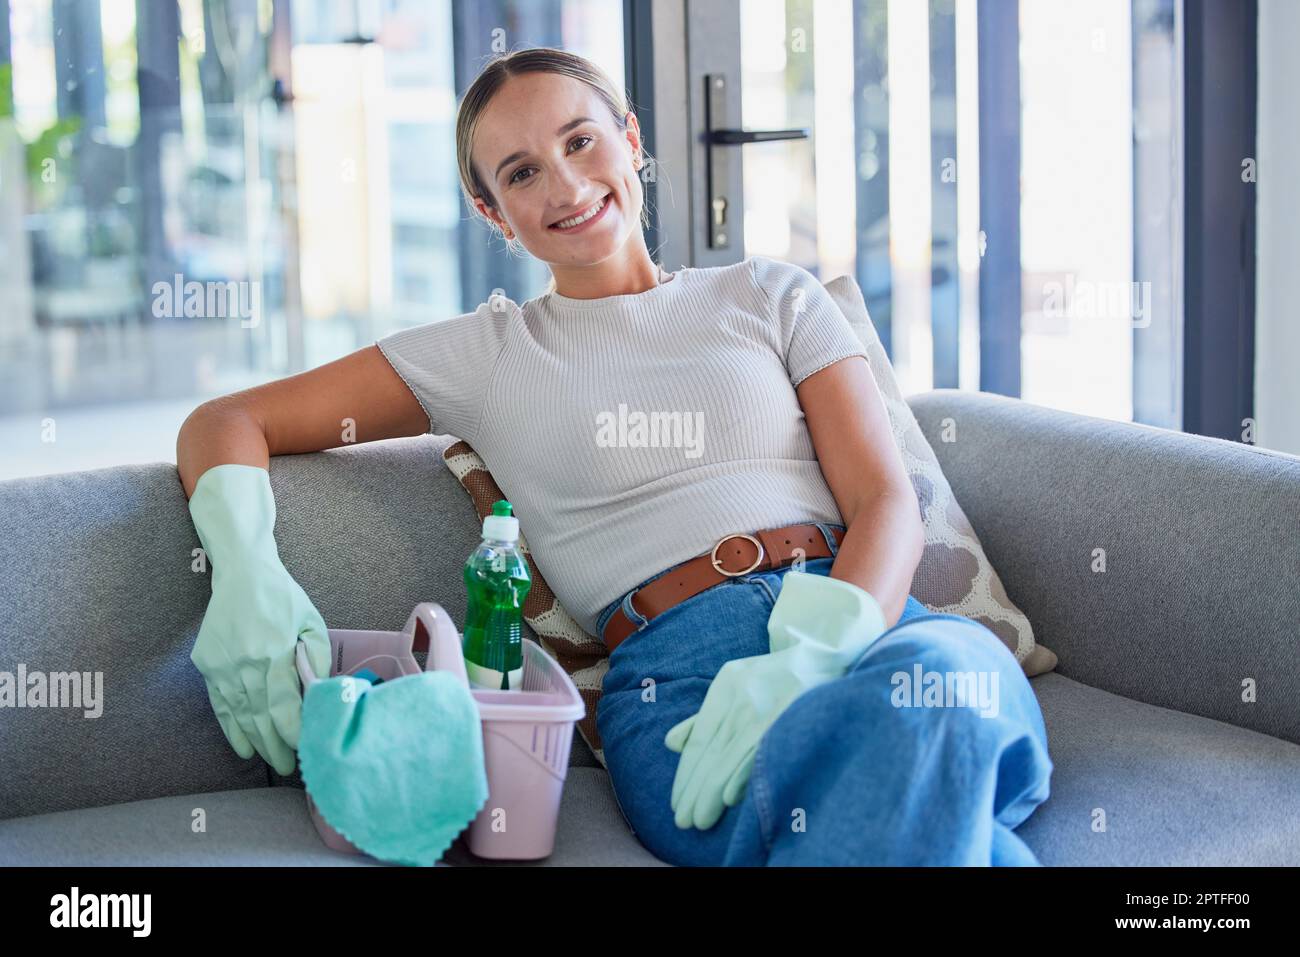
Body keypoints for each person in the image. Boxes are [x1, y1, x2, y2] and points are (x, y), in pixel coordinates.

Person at [176, 45, 1052, 866]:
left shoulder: (772, 295)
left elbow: (884, 503)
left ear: (630, 141)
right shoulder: (484, 356)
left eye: (580, 140)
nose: (564, 183)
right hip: (679, 685)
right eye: (520, 172)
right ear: (494, 213)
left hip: (870, 626)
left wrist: (809, 658)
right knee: (929, 772)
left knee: (945, 683)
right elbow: (229, 420)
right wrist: (245, 573)